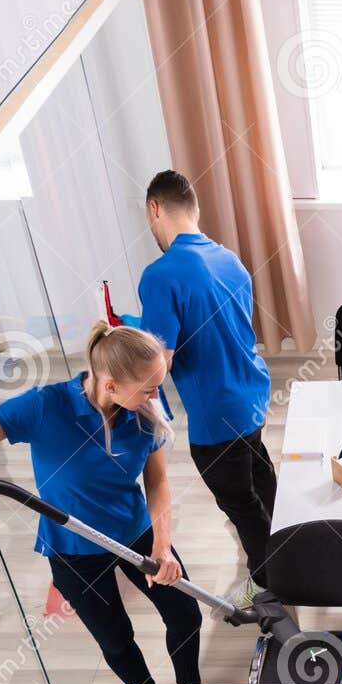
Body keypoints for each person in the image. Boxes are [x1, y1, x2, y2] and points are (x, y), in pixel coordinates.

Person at [0, 321, 200, 684]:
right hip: (72, 547)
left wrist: (162, 545)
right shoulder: (44, 408)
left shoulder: (144, 407)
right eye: (147, 390)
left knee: (185, 613)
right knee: (115, 638)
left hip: (134, 532)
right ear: (110, 384)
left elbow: (159, 480)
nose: (156, 397)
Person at [138, 169, 276, 596]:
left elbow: (157, 365)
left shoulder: (160, 275)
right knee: (260, 475)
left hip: (215, 417)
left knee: (243, 507)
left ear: (154, 208)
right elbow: (211, 322)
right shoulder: (228, 259)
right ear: (194, 210)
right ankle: (290, 543)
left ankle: (269, 588)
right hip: (252, 392)